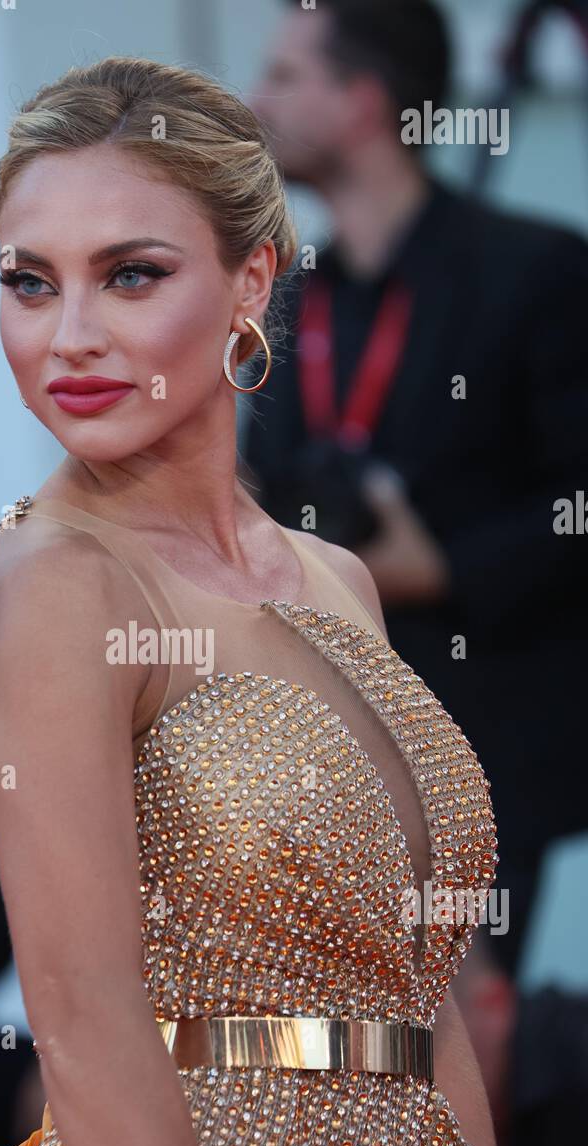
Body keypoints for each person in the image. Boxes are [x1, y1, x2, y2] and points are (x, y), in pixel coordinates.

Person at [0, 55, 528, 1146]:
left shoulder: (334, 579)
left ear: (252, 277)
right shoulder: (56, 585)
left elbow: (423, 1004)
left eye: (131, 274)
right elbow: (86, 1028)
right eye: (28, 284)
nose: (71, 336)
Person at [244, 0, 588, 981]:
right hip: (322, 741)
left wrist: (444, 569)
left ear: (359, 101)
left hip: (481, 745)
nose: (253, 100)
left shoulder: (533, 271)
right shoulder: (287, 297)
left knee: (451, 1046)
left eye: (282, 77)